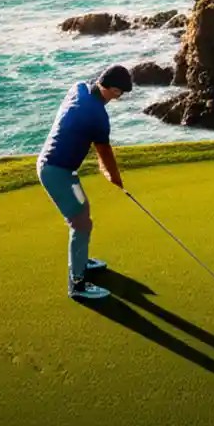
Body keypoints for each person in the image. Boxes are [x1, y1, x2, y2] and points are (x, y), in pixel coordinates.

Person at [37, 65, 132, 300]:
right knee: (80, 224)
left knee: (84, 214)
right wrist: (115, 179)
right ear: (111, 89)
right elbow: (104, 153)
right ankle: (77, 284)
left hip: (62, 170)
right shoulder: (98, 116)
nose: (119, 98)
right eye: (119, 93)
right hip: (56, 172)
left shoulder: (79, 88)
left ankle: (81, 260)